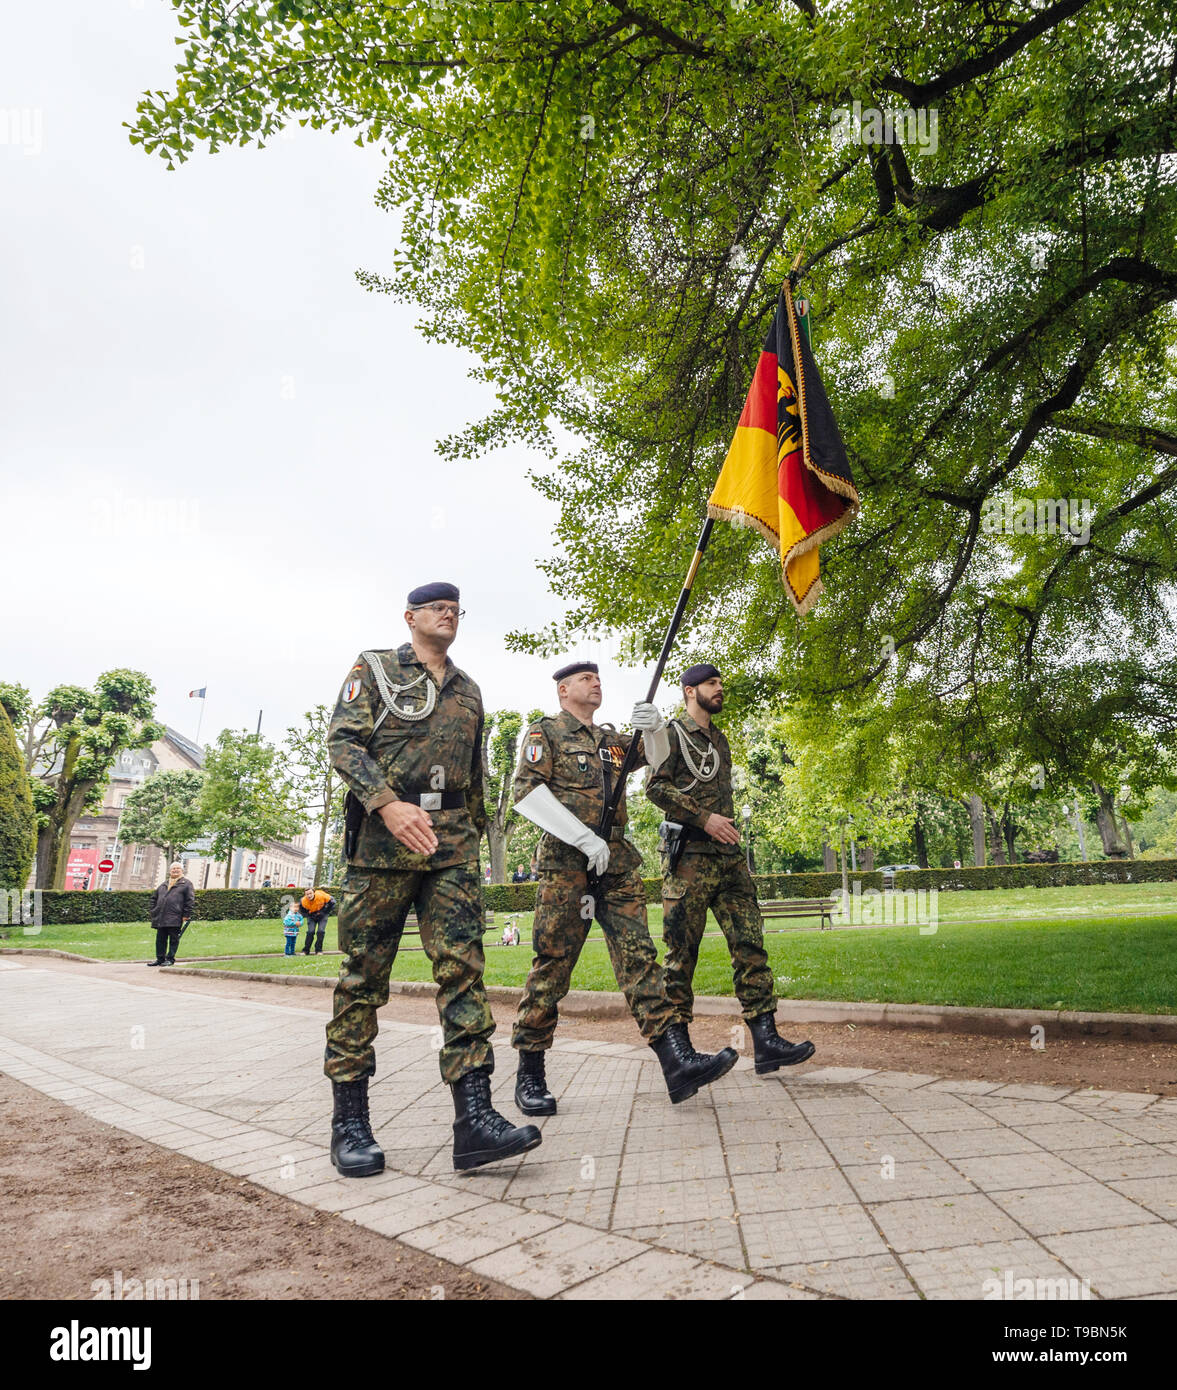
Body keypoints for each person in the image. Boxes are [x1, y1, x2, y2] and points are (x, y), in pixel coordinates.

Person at [324, 581, 541, 1177]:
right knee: (363, 978)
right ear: (410, 616)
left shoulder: (469, 690)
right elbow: (342, 744)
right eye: (436, 607)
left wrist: (469, 837)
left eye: (456, 609)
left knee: (464, 974)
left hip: (450, 848)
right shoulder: (373, 669)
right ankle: (350, 1123)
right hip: (381, 844)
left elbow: (473, 776)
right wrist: (387, 804)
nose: (449, 614)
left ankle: (474, 1120)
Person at [511, 660, 738, 1117]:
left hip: (616, 863)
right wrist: (582, 837)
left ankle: (677, 1062)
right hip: (566, 864)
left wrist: (653, 730)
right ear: (563, 691)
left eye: (597, 678)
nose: (595, 683)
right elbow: (527, 794)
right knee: (553, 966)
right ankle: (530, 1073)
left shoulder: (612, 740)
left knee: (641, 959)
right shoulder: (546, 733)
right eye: (584, 679)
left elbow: (654, 760)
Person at [646, 663, 815, 1074]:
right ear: (689, 691)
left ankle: (766, 1041)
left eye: (720, 683)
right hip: (690, 860)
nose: (720, 689)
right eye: (711, 684)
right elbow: (654, 787)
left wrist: (721, 826)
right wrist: (704, 819)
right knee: (681, 956)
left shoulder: (719, 739)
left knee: (750, 945)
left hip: (729, 861)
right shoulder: (669, 734)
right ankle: (681, 1053)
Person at [147, 861, 194, 967]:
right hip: (161, 917)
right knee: (160, 939)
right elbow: (154, 898)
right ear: (170, 871)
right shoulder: (164, 884)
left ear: (182, 870)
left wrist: (186, 915)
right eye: (173, 868)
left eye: (178, 868)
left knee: (173, 939)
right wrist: (153, 910)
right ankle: (160, 959)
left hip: (175, 916)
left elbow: (190, 900)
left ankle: (170, 959)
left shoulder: (186, 884)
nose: (175, 870)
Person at [298, 887, 337, 954]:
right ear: (305, 895)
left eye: (310, 893)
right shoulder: (303, 901)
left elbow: (333, 903)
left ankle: (318, 950)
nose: (309, 895)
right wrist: (309, 915)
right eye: (307, 894)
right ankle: (306, 950)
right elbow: (302, 911)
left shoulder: (321, 896)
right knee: (310, 931)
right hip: (311, 916)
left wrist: (324, 912)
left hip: (323, 915)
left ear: (314, 893)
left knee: (321, 931)